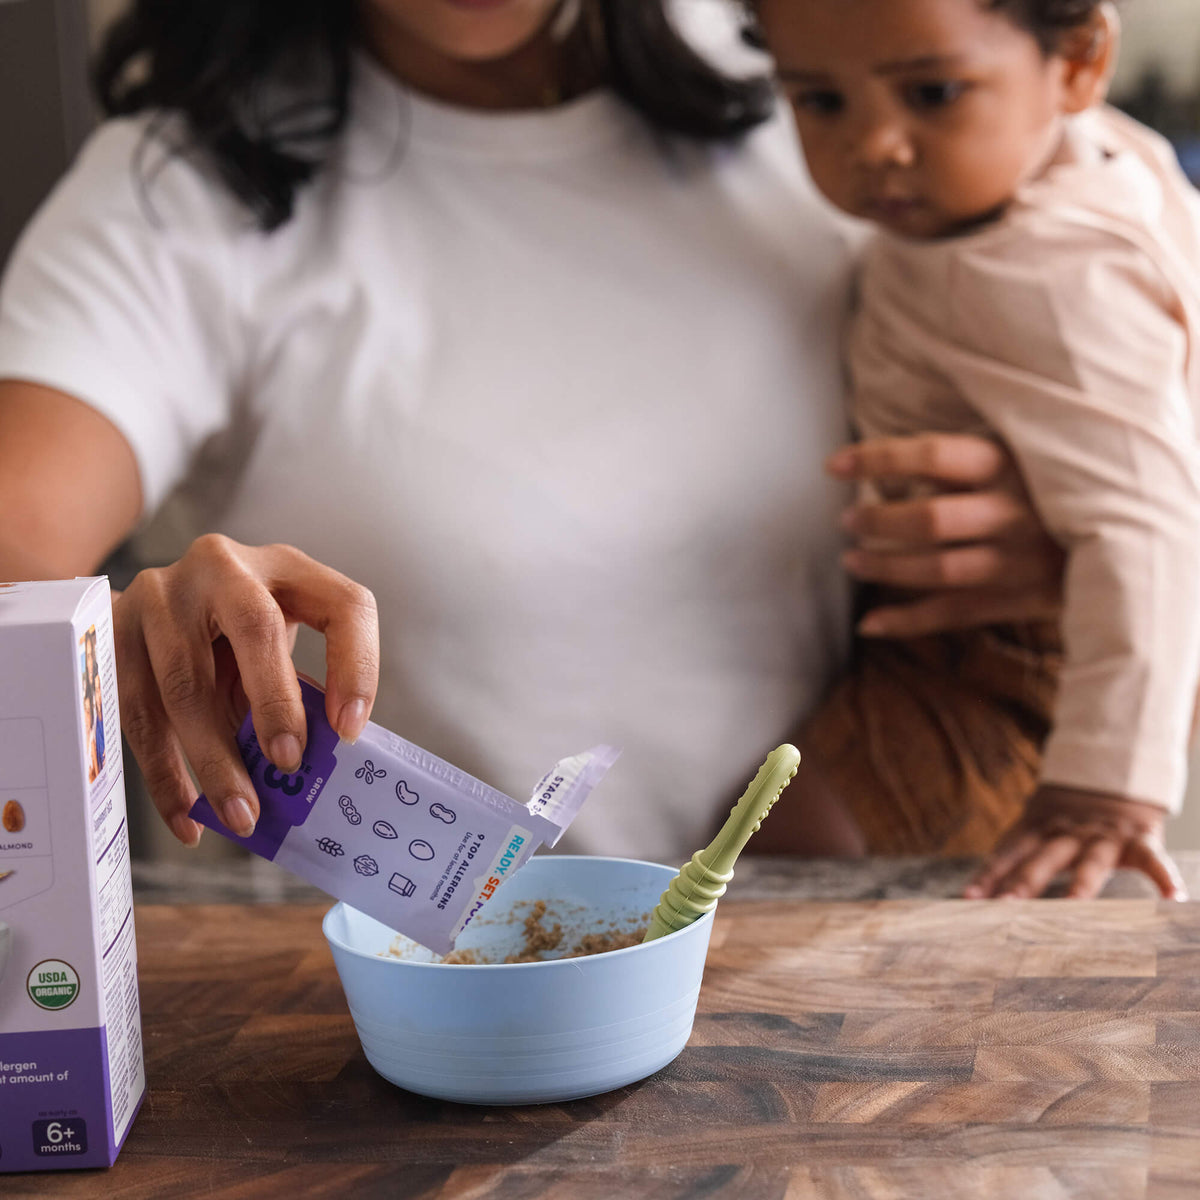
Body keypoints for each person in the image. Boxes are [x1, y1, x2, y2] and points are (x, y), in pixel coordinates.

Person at [0, 0, 1063, 874]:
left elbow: (1126, 365)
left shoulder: (826, 85)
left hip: (803, 967)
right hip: (370, 1014)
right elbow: (15, 561)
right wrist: (108, 631)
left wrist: (1053, 525)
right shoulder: (180, 191)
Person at [755, 0, 1200, 898]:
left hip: (995, 656)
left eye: (934, 92)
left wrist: (1102, 792)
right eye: (819, 101)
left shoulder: (1045, 274)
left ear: (1079, 61)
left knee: (782, 858)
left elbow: (1145, 523)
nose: (876, 143)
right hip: (949, 629)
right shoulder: (1098, 154)